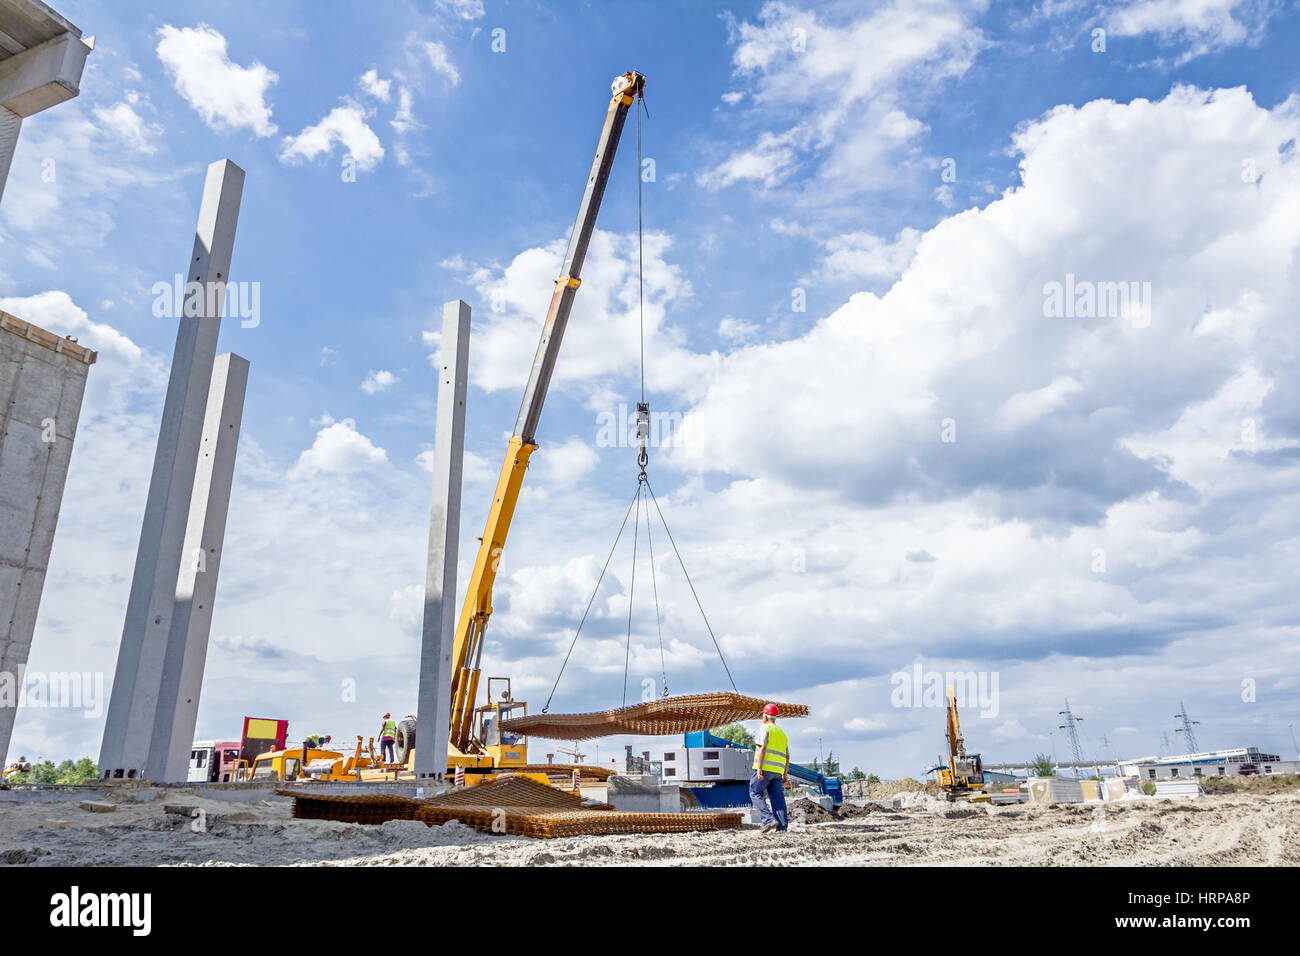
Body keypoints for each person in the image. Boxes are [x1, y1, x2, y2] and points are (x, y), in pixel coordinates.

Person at [749, 703, 790, 833]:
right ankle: (782, 827)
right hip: (778, 772)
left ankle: (768, 820)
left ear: (765, 717)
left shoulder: (765, 728)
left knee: (754, 791)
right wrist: (785, 774)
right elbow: (787, 756)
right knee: (777, 798)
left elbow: (762, 748)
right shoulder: (782, 734)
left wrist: (759, 768)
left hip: (765, 769)